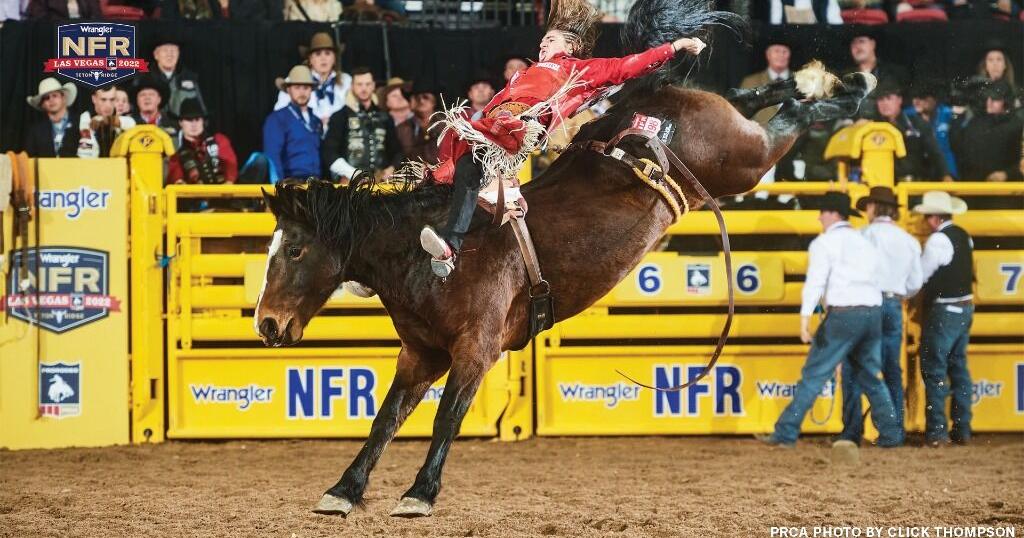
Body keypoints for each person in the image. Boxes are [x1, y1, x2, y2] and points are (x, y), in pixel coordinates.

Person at [417, 0, 706, 278]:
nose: (543, 43)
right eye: (543, 40)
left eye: (551, 39)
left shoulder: (577, 69)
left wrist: (675, 46)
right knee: (446, 177)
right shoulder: (523, 75)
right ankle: (412, 247)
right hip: (490, 128)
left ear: (571, 46)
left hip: (516, 130)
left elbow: (629, 65)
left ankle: (450, 247)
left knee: (469, 168)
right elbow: (495, 105)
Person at [757, 192, 902, 449]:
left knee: (814, 373)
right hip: (871, 311)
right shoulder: (865, 240)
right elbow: (880, 276)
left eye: (822, 211)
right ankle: (891, 434)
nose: (819, 216)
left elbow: (815, 282)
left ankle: (785, 432)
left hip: (844, 314)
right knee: (870, 375)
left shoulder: (824, 243)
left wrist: (805, 318)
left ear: (833, 214)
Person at [838, 187, 922, 445]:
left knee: (854, 367)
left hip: (865, 305)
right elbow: (915, 283)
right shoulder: (908, 240)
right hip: (893, 305)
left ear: (873, 208)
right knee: (890, 368)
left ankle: (852, 432)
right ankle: (892, 431)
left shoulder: (861, 236)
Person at [913, 191, 974, 447]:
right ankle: (962, 429)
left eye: (928, 217)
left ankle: (937, 432)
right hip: (965, 307)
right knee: (958, 368)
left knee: (935, 369)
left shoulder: (938, 241)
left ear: (935, 218)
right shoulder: (964, 236)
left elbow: (921, 276)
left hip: (945, 310)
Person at [322, 67, 403, 182]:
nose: (364, 89)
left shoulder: (385, 117)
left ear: (373, 86)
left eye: (367, 84)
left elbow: (398, 151)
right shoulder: (340, 116)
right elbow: (328, 152)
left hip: (381, 182)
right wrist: (351, 173)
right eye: (359, 84)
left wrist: (391, 168)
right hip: (350, 182)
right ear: (352, 86)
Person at [864, 80, 951, 182]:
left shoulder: (916, 124)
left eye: (889, 98)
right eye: (881, 100)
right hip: (882, 186)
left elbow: (935, 152)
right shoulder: (871, 127)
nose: (885, 104)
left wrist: (945, 175)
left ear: (899, 100)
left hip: (913, 186)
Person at [274, 32, 352, 131]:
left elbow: (354, 112)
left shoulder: (346, 81)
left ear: (334, 59)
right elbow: (280, 114)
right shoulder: (295, 80)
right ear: (310, 59)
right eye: (318, 54)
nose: (323, 58)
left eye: (327, 53)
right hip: (304, 138)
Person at [951, 81, 1024, 181]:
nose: (989, 102)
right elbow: (960, 151)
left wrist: (1006, 174)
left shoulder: (1017, 125)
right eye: (988, 98)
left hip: (1005, 188)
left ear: (1007, 101)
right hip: (973, 186)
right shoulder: (976, 122)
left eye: (994, 99)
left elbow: (1020, 162)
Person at [263, 65, 323, 180]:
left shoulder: (316, 121)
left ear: (311, 90)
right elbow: (272, 156)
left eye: (306, 87)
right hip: (291, 183)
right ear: (288, 90)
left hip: (315, 184)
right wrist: (279, 187)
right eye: (297, 87)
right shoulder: (277, 119)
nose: (302, 92)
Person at [167, 98, 238, 185]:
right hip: (196, 197)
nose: (194, 124)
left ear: (203, 121)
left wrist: (228, 185)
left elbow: (230, 165)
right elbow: (176, 180)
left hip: (225, 195)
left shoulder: (219, 140)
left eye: (197, 119)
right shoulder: (176, 155)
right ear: (181, 122)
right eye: (189, 120)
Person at [904, 80, 958, 179]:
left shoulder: (947, 114)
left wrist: (949, 174)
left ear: (934, 100)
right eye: (915, 98)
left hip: (944, 168)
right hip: (918, 169)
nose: (918, 101)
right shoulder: (906, 116)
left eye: (923, 98)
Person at [740, 38, 793, 124]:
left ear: (789, 55)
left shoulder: (802, 82)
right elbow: (741, 116)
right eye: (776, 51)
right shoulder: (750, 83)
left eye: (784, 52)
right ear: (768, 55)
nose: (781, 55)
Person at [24, 77, 80, 158]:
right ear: (42, 104)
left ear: (63, 98)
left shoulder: (81, 122)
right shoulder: (35, 132)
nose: (51, 100)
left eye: (55, 95)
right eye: (47, 98)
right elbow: (30, 159)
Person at [150, 38, 205, 118]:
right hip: (154, 128)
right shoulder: (145, 79)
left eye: (173, 50)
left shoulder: (190, 78)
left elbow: (201, 109)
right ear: (156, 55)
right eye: (165, 50)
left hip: (184, 127)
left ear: (178, 54)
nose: (170, 54)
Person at [77, 85, 137, 158]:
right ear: (94, 99)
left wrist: (107, 120)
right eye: (103, 100)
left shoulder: (124, 117)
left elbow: (132, 123)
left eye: (112, 99)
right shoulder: (84, 118)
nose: (108, 105)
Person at [395, 81, 440, 164]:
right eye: (417, 98)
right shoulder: (402, 128)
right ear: (412, 102)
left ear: (434, 102)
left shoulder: (445, 125)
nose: (421, 101)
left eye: (426, 97)